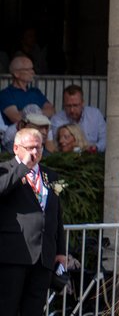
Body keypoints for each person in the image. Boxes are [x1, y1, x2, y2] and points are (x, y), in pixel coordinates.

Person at [0, 128, 67, 316]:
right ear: (16, 148)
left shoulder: (52, 176)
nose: (35, 153)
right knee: (7, 308)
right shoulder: (6, 169)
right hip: (13, 255)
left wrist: (61, 251)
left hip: (43, 257)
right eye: (29, 148)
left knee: (35, 309)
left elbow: (57, 215)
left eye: (38, 148)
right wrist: (23, 168)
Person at [0, 57, 51, 136]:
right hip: (18, 136)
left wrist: (25, 112)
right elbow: (16, 117)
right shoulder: (6, 94)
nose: (33, 72)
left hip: (41, 135)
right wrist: (40, 116)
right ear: (16, 74)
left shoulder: (35, 91)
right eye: (28, 69)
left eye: (32, 69)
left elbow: (51, 111)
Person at [48, 85, 105, 152]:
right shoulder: (56, 120)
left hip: (94, 156)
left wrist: (96, 148)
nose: (72, 110)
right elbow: (57, 145)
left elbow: (105, 139)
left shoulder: (95, 115)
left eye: (75, 105)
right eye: (68, 106)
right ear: (63, 104)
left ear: (82, 103)